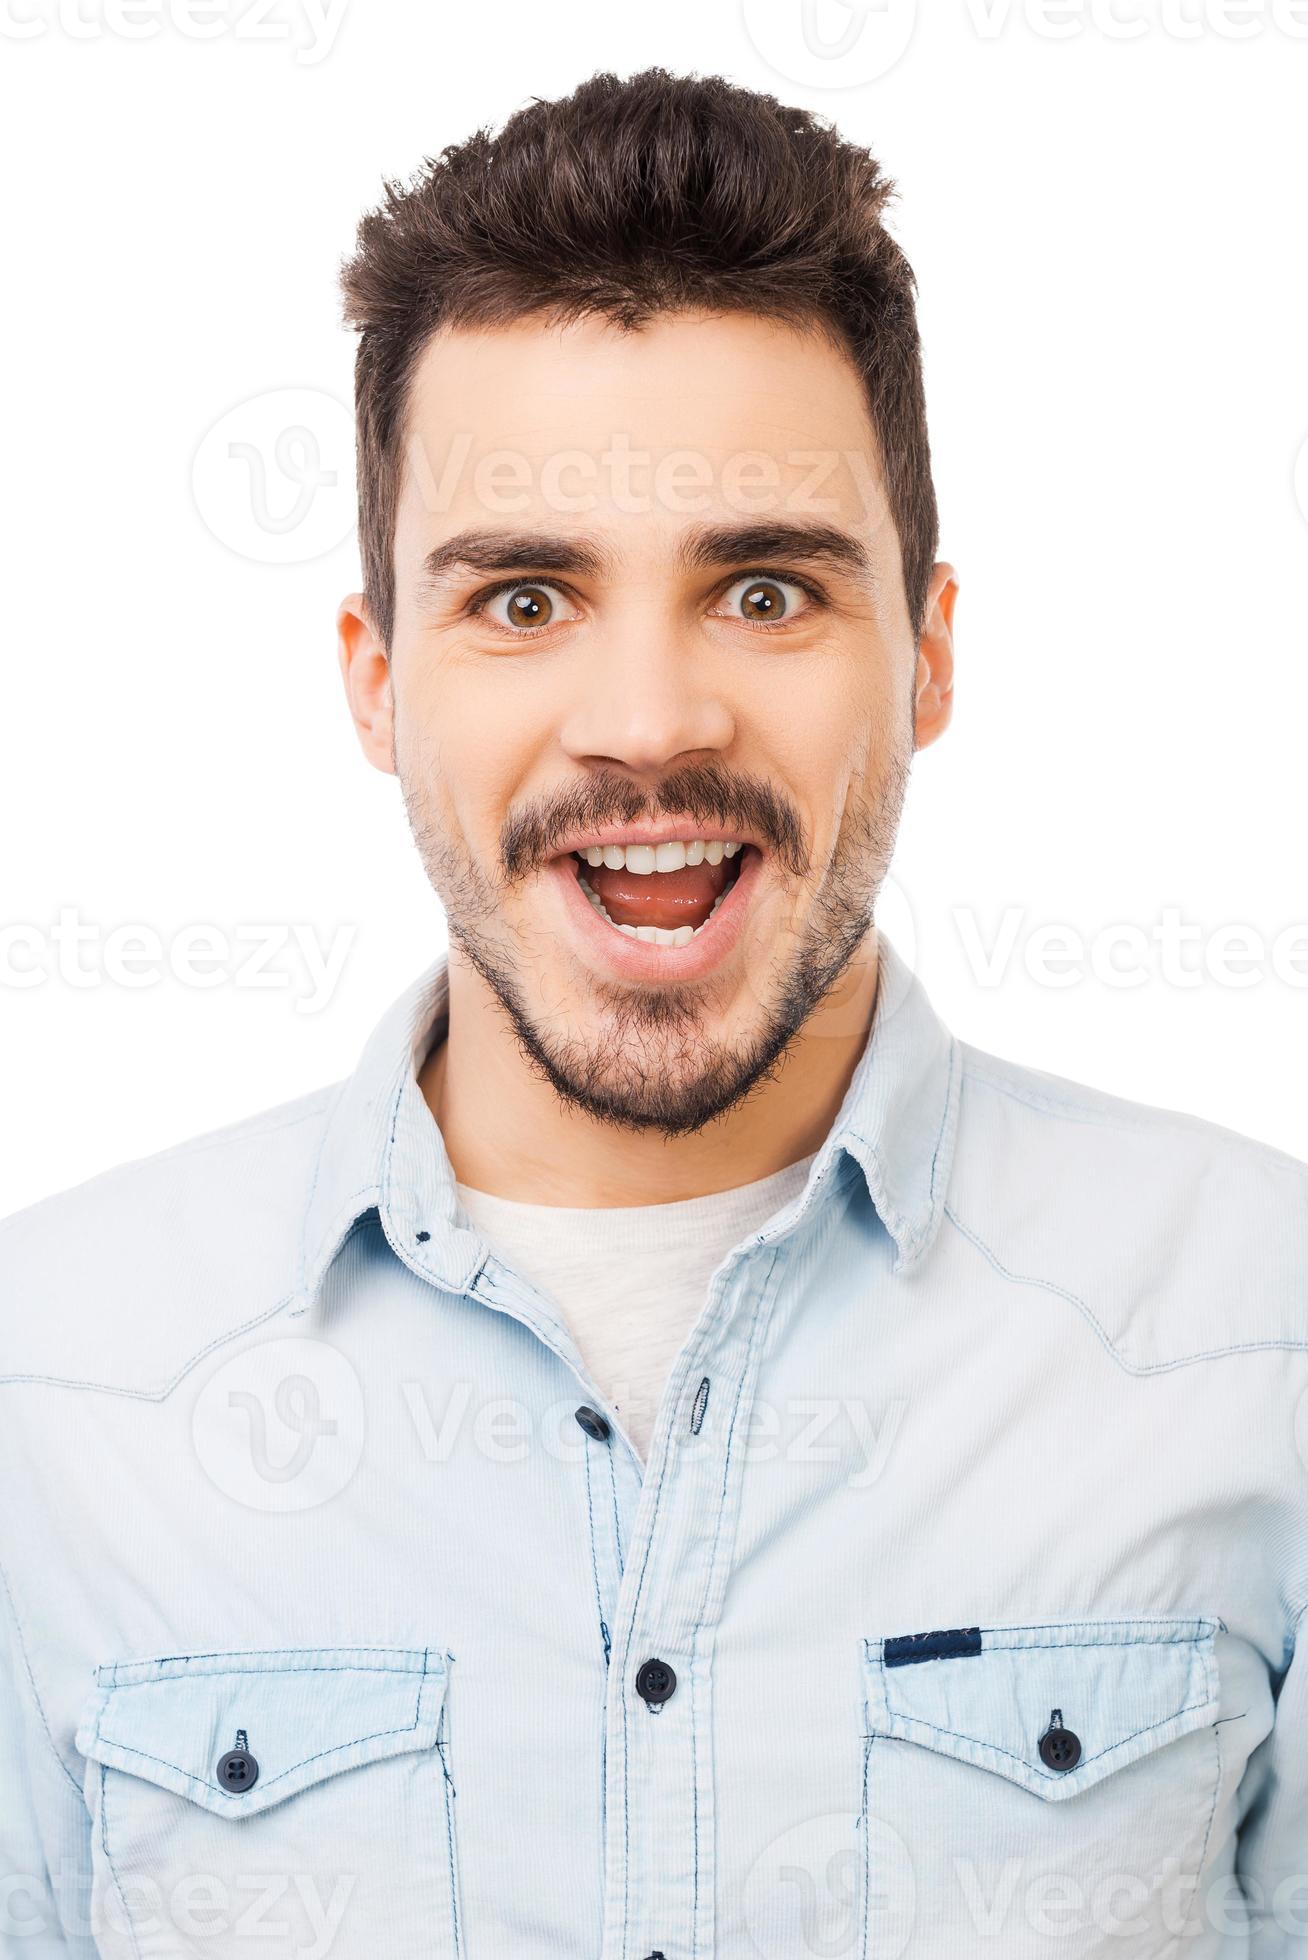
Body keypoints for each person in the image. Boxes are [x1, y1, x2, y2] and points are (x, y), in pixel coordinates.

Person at [1, 66, 1304, 1960]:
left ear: (928, 655)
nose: (652, 721)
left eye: (764, 589)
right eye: (524, 600)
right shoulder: (48, 1399)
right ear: (375, 684)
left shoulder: (1261, 1332)